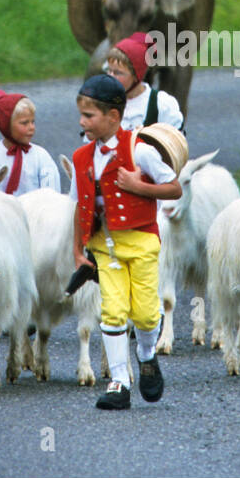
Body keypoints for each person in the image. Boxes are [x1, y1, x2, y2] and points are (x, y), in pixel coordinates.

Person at [71, 74, 181, 410]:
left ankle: (146, 356)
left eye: (89, 116)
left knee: (147, 315)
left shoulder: (140, 151)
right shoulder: (80, 158)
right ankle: (119, 381)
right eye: (82, 115)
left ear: (113, 117)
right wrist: (78, 250)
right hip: (106, 248)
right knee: (113, 311)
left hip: (142, 243)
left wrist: (140, 187)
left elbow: (174, 188)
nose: (82, 122)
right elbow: (80, 205)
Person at [0, 89, 60, 194]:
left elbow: (52, 196)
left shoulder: (41, 157)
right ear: (6, 125)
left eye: (33, 122)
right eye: (24, 123)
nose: (31, 127)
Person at [102, 32, 185, 131]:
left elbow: (175, 143)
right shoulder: (103, 102)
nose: (110, 77)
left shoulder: (161, 104)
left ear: (136, 75)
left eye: (117, 73)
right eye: (109, 70)